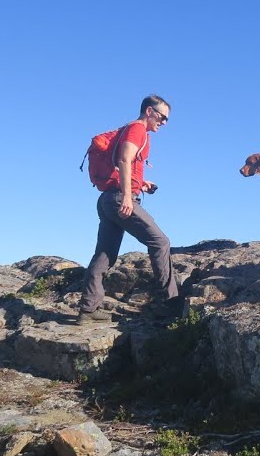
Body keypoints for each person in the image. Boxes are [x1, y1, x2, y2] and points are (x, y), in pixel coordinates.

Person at [77, 94, 183, 323]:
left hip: (108, 200)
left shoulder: (130, 129)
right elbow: (124, 159)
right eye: (162, 117)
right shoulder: (138, 129)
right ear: (149, 112)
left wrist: (141, 184)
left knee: (105, 254)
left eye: (167, 120)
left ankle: (87, 310)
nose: (164, 123)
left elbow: (124, 164)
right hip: (118, 199)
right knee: (160, 242)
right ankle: (169, 303)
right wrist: (127, 196)